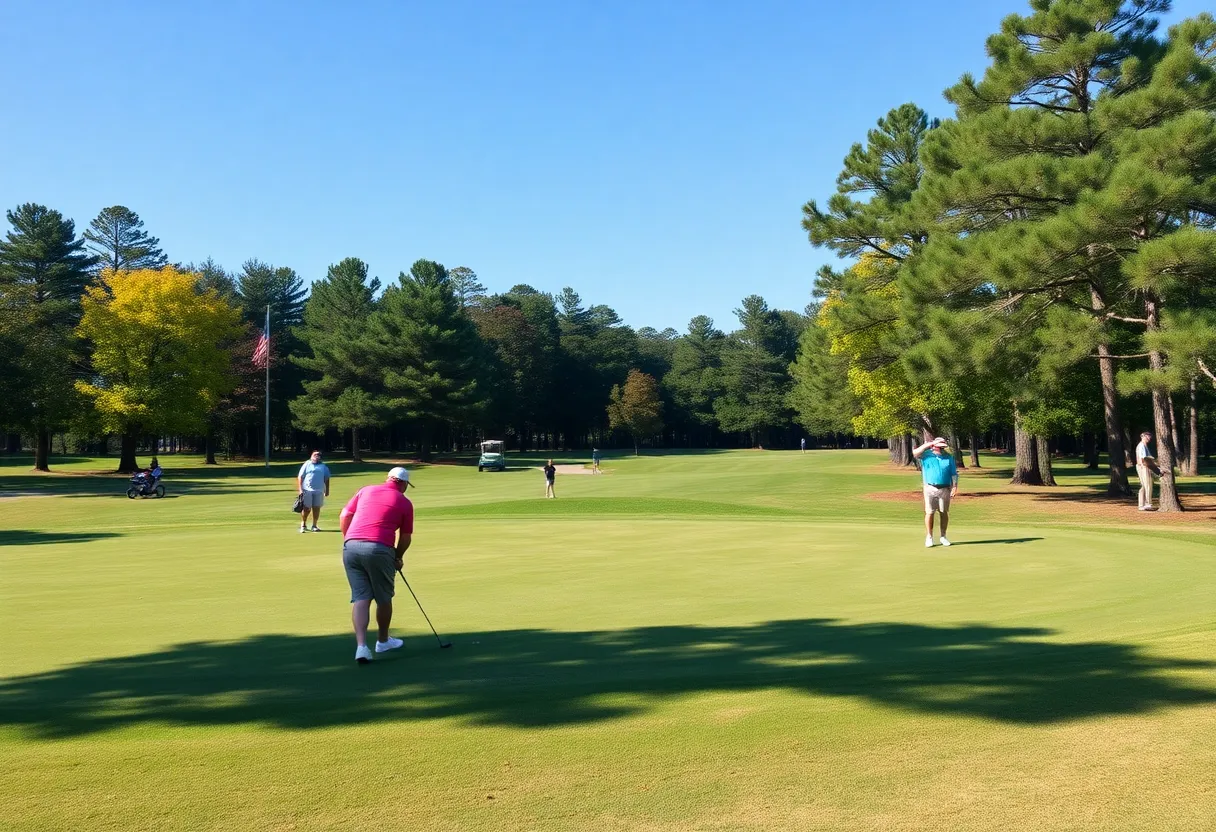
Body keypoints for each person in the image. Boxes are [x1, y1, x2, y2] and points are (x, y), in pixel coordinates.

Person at [339, 466, 416, 664]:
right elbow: (405, 537)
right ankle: (382, 641)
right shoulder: (405, 502)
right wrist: (397, 557)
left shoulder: (366, 490)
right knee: (383, 597)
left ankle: (361, 647)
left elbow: (345, 515)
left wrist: (349, 539)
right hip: (379, 549)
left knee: (361, 597)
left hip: (351, 547)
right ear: (404, 484)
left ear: (388, 479)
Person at [913, 437, 959, 547]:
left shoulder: (948, 457)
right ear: (934, 446)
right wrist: (929, 444)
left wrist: (955, 487)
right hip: (929, 488)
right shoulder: (926, 455)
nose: (941, 449)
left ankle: (943, 536)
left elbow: (954, 473)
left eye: (942, 447)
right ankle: (929, 537)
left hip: (945, 488)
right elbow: (915, 453)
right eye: (939, 447)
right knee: (930, 512)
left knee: (943, 512)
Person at [296, 450, 331, 533]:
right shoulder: (307, 464)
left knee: (316, 508)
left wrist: (327, 490)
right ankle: (303, 524)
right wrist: (300, 489)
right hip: (307, 490)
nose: (317, 456)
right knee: (306, 508)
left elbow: (326, 478)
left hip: (319, 490)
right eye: (315, 454)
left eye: (318, 455)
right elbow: (300, 477)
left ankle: (314, 525)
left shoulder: (323, 466)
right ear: (311, 456)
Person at [1136, 431, 1161, 511]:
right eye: (1148, 437)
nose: (1149, 438)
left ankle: (1141, 505)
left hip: (1142, 466)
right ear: (1143, 437)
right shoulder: (1142, 446)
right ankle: (1148, 503)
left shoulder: (1144, 446)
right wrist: (1153, 467)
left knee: (1143, 486)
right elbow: (1144, 459)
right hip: (1144, 467)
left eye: (1150, 437)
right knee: (1148, 485)